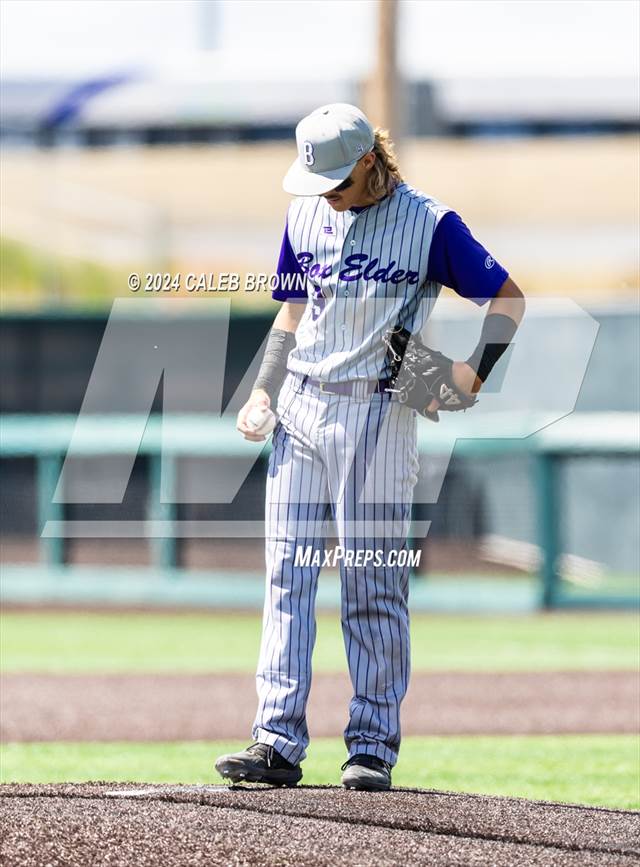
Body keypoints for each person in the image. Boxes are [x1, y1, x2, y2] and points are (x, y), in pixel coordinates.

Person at [215, 103, 525, 791]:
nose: (320, 191)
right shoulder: (305, 212)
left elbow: (507, 297)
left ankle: (372, 744)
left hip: (382, 412)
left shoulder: (431, 223)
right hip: (302, 404)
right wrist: (263, 389)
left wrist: (472, 373)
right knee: (286, 575)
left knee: (372, 580)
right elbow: (292, 312)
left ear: (368, 161)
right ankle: (275, 740)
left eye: (333, 178)